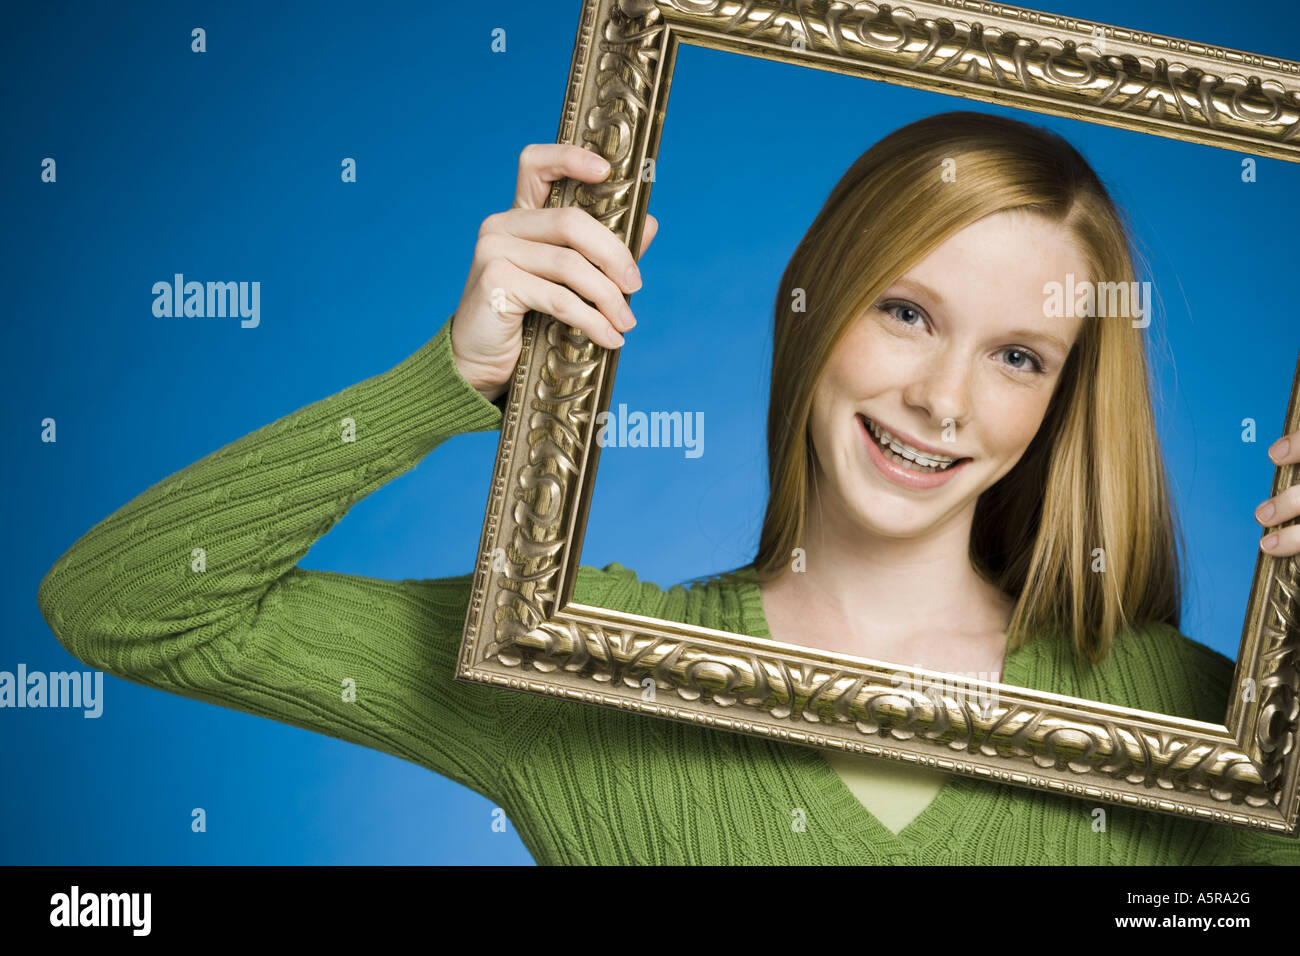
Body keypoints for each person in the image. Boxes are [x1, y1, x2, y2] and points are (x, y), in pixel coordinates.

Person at [37, 111, 1300, 864]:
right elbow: (128, 604)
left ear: (1063, 399)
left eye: (1017, 355)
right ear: (813, 308)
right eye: (906, 312)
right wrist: (449, 376)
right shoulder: (575, 656)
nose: (944, 400)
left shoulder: (1177, 709)